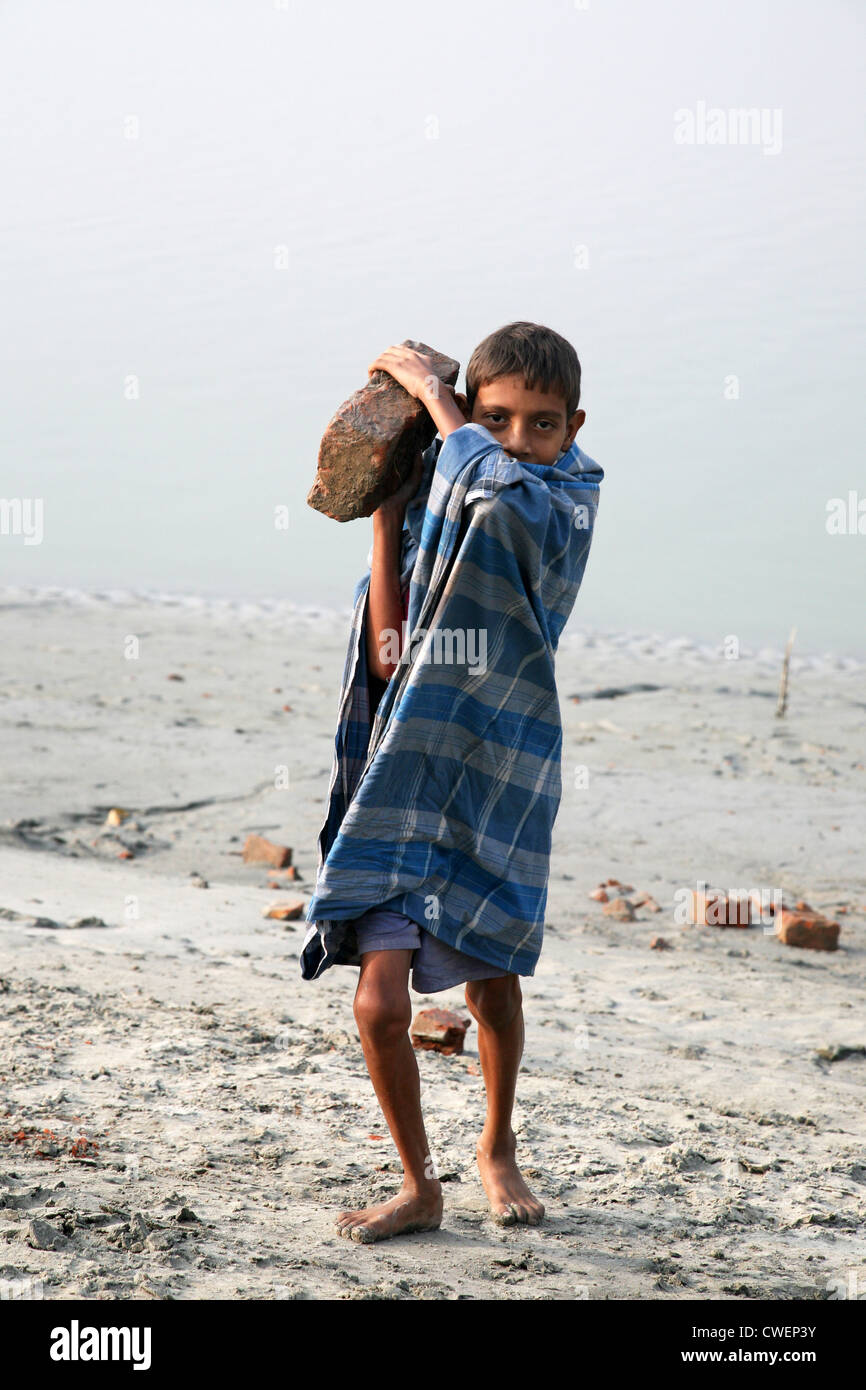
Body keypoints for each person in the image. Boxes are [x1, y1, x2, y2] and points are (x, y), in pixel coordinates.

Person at [300, 322, 603, 1243]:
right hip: (407, 772)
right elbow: (391, 657)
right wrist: (391, 515)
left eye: (541, 423)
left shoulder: (561, 500)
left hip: (497, 770)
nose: (520, 439)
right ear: (479, 413)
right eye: (497, 417)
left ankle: (497, 1144)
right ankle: (418, 1182)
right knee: (378, 1002)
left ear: (574, 427)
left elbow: (504, 490)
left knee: (493, 985)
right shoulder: (453, 491)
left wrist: (439, 400)